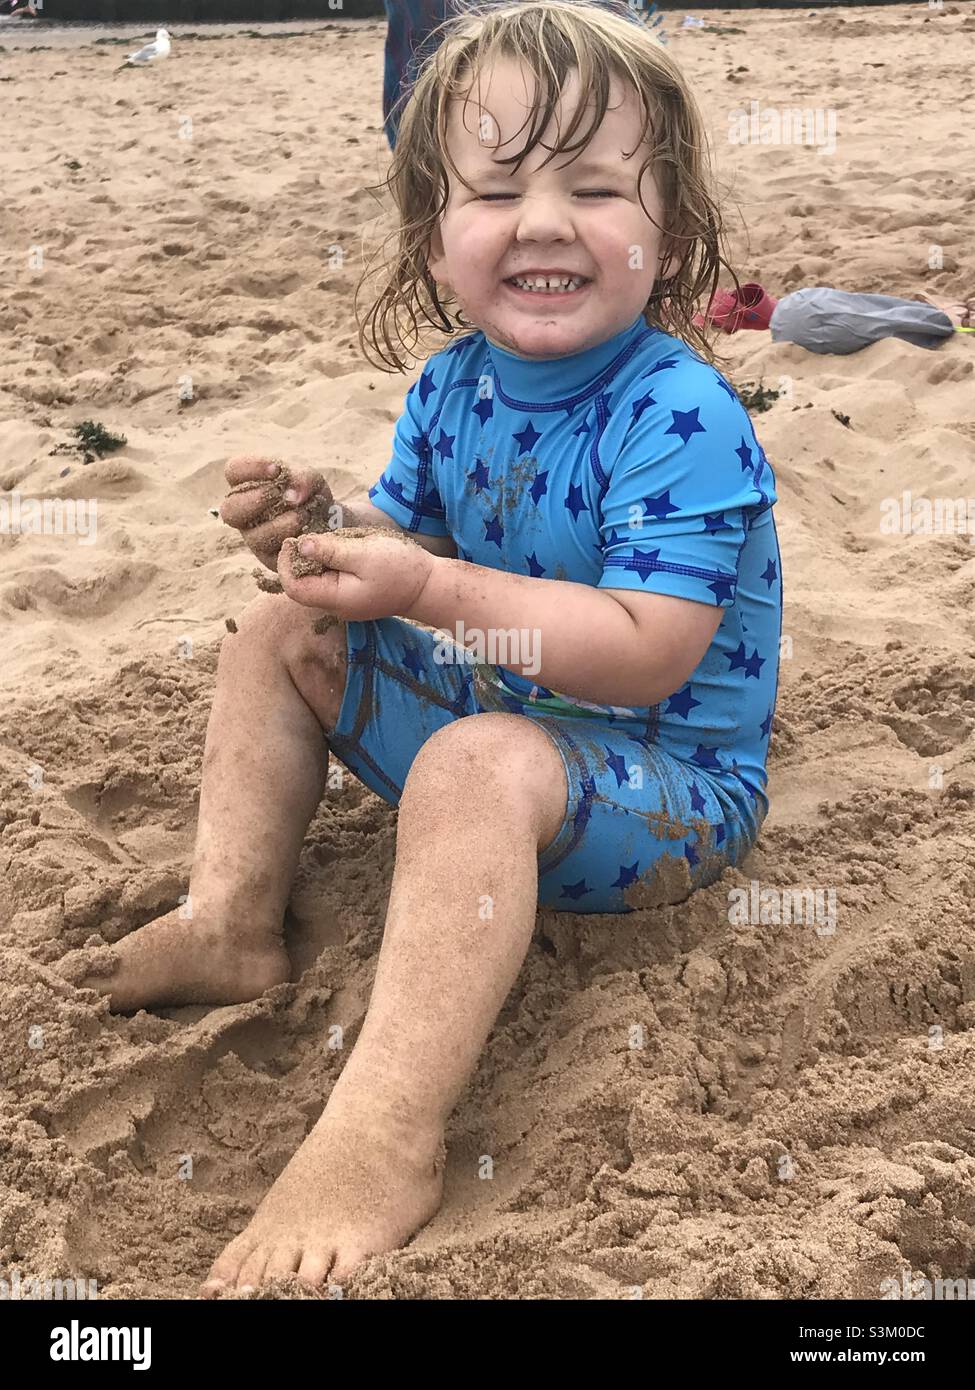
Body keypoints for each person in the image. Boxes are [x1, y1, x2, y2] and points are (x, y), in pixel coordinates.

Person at [67, 0, 781, 1293]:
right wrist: (325, 536)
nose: (545, 220)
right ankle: (229, 918)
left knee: (471, 764)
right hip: (506, 721)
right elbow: (403, 554)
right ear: (433, 228)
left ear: (666, 228)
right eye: (498, 186)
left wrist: (432, 585)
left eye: (596, 185)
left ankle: (382, 1131)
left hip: (658, 784)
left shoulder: (682, 412)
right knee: (283, 633)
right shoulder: (452, 387)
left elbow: (647, 654)